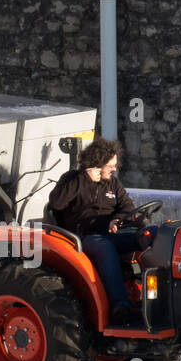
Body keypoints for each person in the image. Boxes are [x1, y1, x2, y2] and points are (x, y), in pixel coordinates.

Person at [47, 137, 153, 326]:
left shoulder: (113, 184)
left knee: (153, 235)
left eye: (115, 165)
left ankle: (154, 298)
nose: (114, 169)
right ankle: (121, 306)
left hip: (111, 234)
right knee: (104, 247)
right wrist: (83, 179)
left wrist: (117, 219)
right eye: (110, 165)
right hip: (82, 239)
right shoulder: (72, 179)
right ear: (96, 164)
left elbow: (127, 207)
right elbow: (56, 202)